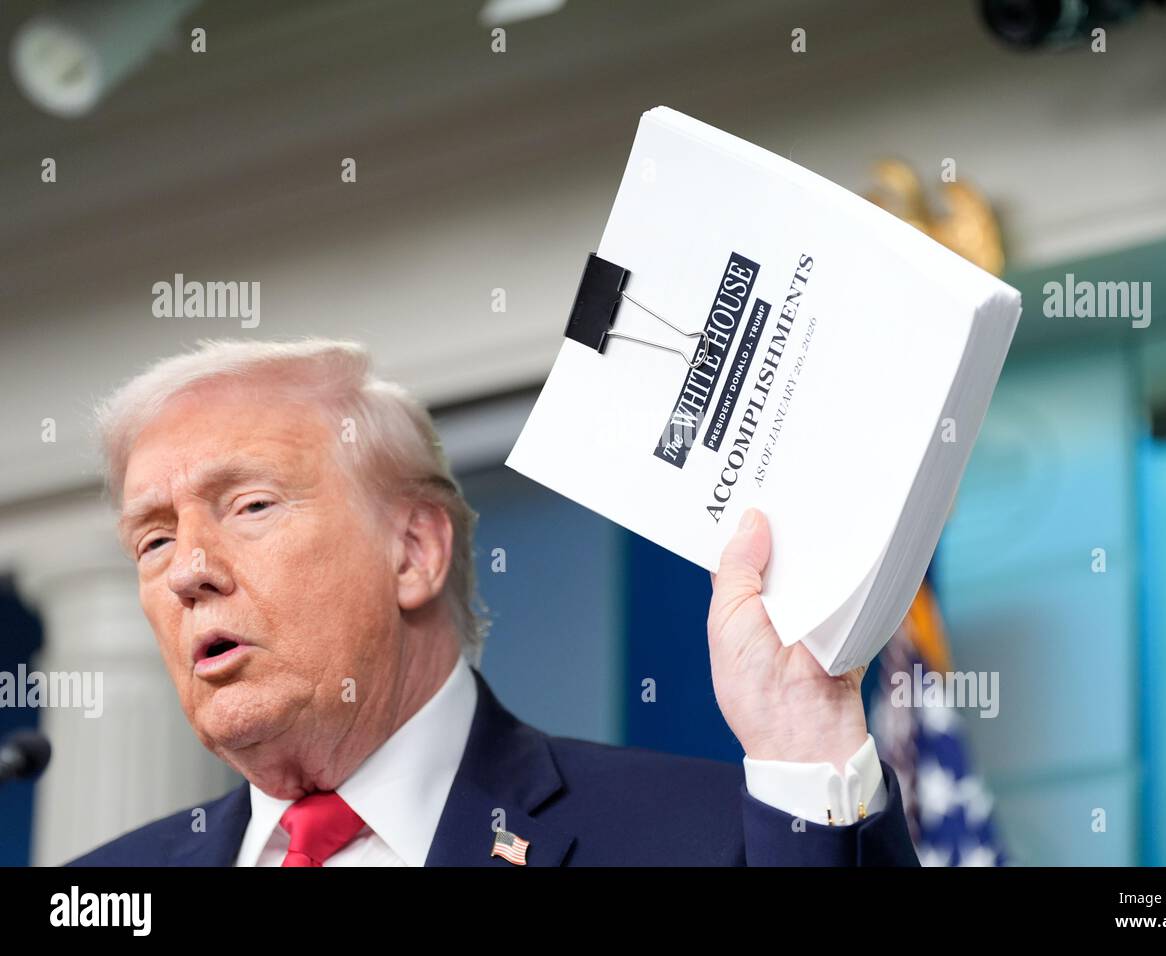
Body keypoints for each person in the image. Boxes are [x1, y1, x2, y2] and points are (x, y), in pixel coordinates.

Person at [67, 338, 917, 866]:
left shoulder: (708, 838)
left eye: (250, 506)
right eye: (153, 540)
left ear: (413, 553)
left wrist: (804, 748)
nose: (188, 570)